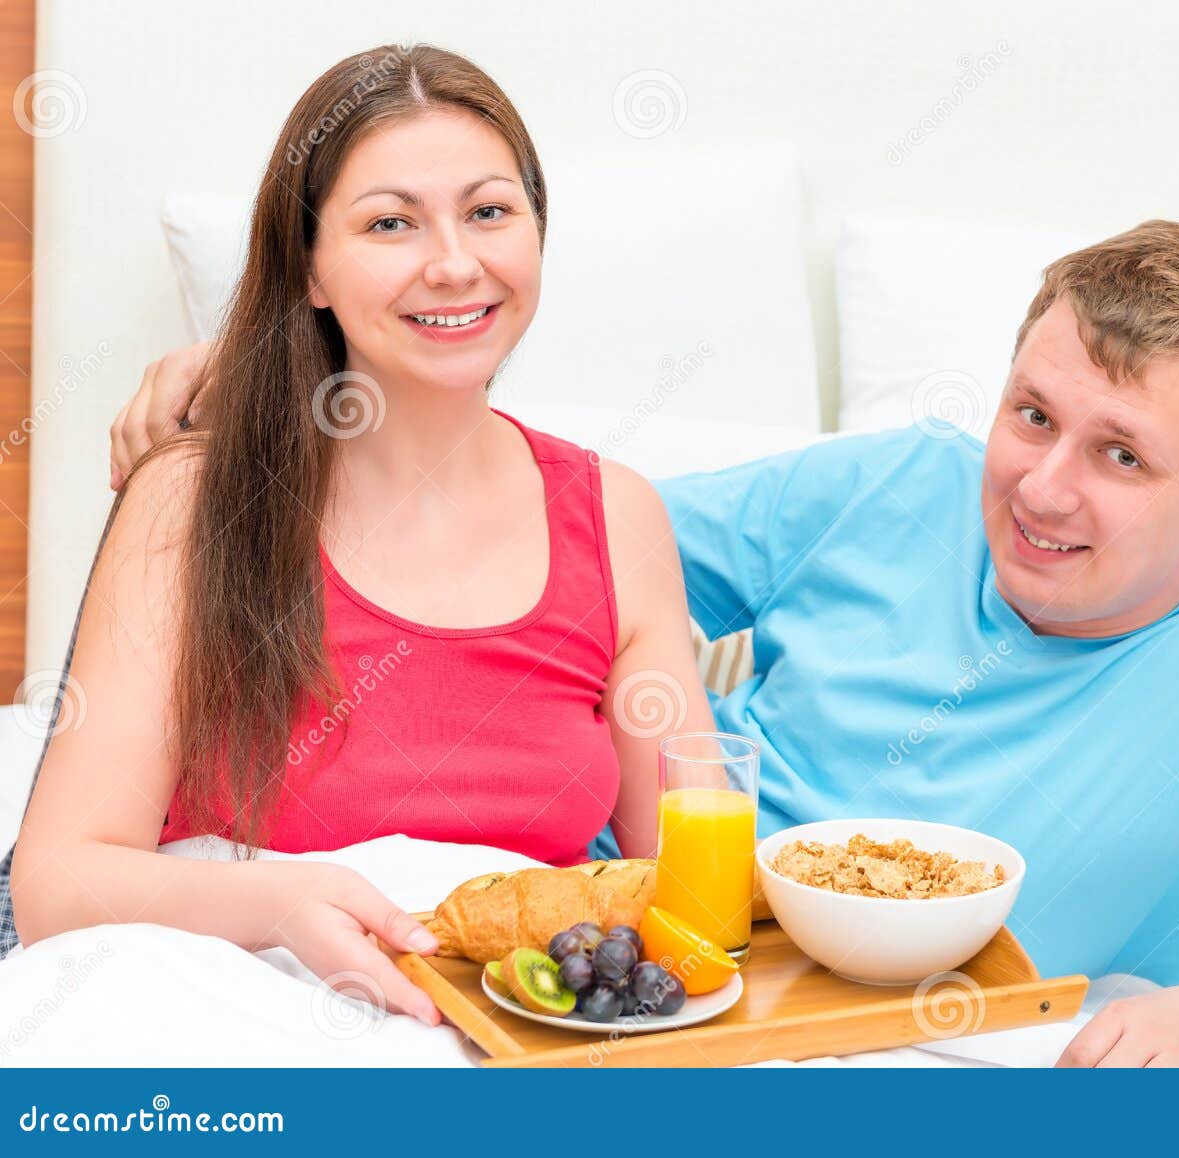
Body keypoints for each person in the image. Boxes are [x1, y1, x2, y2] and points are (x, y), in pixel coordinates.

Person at [96, 225, 1179, 1067]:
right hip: (582, 951)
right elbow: (566, 544)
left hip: (834, 1045)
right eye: (1030, 415)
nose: (1041, 488)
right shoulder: (896, 488)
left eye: (1120, 457)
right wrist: (302, 399)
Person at [1, 44, 714, 1027]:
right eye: (390, 223)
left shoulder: (618, 514)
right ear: (311, 272)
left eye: (490, 211)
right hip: (233, 1011)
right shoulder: (196, 499)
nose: (455, 261)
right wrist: (283, 905)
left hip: (516, 1037)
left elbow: (690, 891)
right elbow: (56, 886)